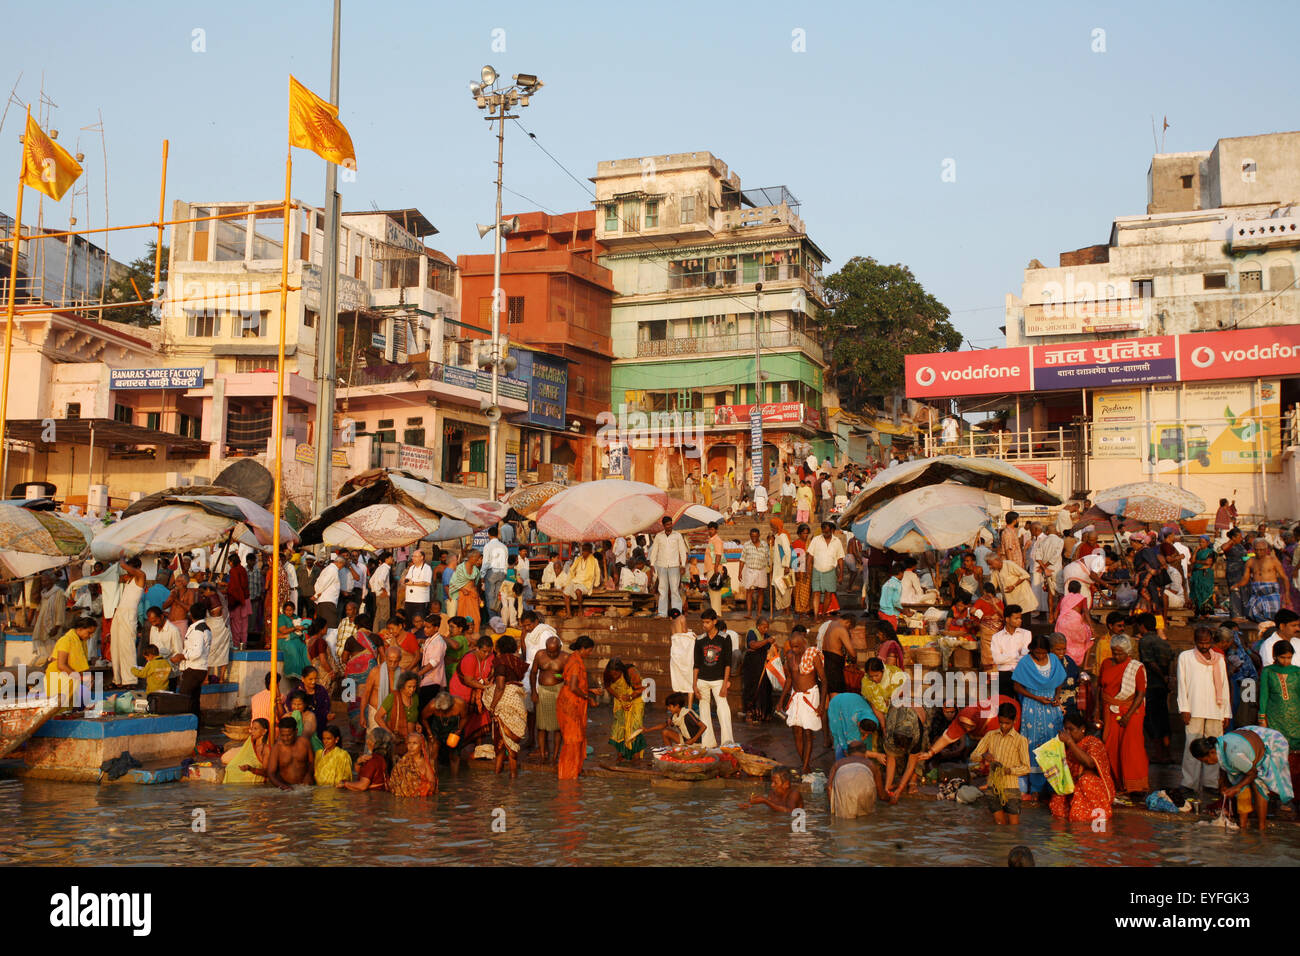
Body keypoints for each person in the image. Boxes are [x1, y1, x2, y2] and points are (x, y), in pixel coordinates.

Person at [1190, 727, 1293, 831]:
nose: (1206, 764)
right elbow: (1224, 766)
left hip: (1270, 741)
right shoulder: (1219, 748)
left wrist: (1236, 788)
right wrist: (1223, 784)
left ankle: (1262, 828)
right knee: (1240, 784)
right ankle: (1243, 826)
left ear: (1212, 752)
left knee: (1258, 784)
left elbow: (1253, 774)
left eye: (1205, 760)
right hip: (1246, 741)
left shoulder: (1234, 756)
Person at [1178, 625, 1232, 793]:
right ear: (1195, 641)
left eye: (1207, 642)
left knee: (1215, 748)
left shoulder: (1219, 659)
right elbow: (1182, 683)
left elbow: (1224, 686)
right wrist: (1184, 708)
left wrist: (1226, 712)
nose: (1204, 646)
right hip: (1193, 708)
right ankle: (1189, 782)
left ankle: (1211, 782)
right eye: (1201, 643)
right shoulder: (1185, 657)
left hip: (1215, 709)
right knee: (1191, 746)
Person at [1011, 633, 1067, 795]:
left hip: (1052, 708)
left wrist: (1057, 697)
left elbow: (1060, 680)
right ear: (1032, 650)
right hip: (1032, 707)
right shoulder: (1025, 663)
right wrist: (1036, 697)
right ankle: (1035, 787)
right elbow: (1017, 687)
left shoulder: (1054, 660)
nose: (1041, 655)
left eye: (1043, 652)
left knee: (1053, 743)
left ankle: (1054, 786)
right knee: (1033, 745)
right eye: (1038, 652)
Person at [1097, 633, 1147, 796]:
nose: (1117, 656)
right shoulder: (1106, 664)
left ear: (1128, 653)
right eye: (1114, 652)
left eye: (1120, 653)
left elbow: (1140, 694)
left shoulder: (1136, 667)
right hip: (1109, 710)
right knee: (1110, 746)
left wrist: (1128, 715)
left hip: (1130, 711)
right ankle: (1115, 783)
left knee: (1131, 748)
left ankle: (1135, 786)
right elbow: (1100, 688)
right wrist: (1097, 710)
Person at [1049, 710, 1116, 823]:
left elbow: (1090, 763)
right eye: (1066, 729)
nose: (1068, 733)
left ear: (1082, 729)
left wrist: (1070, 742)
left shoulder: (1093, 742)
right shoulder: (1066, 747)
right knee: (1058, 802)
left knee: (1086, 780)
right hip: (1072, 786)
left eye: (1071, 729)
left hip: (1092, 787)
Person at [969, 703, 1030, 825]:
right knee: (999, 823)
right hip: (992, 788)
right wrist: (983, 756)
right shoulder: (990, 735)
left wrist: (1009, 771)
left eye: (1007, 723)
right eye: (1001, 722)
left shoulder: (1020, 740)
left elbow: (1026, 768)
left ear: (1014, 721)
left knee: (1013, 826)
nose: (1003, 726)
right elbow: (973, 756)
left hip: (1011, 788)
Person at [780, 629, 826, 775]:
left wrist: (822, 704)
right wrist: (781, 700)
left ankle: (805, 765)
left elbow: (824, 681)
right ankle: (804, 765)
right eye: (792, 647)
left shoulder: (813, 656)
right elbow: (789, 679)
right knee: (796, 731)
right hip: (796, 696)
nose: (794, 650)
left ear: (803, 644)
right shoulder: (789, 656)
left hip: (810, 695)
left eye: (797, 647)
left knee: (808, 732)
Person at [484, 634, 529, 776]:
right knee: (511, 738)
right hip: (517, 699)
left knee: (500, 737)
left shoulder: (500, 662)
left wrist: (492, 706)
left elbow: (500, 687)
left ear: (499, 648)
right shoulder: (517, 661)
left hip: (504, 701)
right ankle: (512, 774)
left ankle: (501, 773)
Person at [1134, 613, 1175, 763]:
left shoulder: (1145, 641)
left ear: (1142, 626)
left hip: (1152, 684)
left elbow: (1150, 662)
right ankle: (1167, 753)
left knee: (1152, 719)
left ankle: (1159, 753)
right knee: (1163, 718)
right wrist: (1168, 677)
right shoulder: (1162, 641)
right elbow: (1171, 658)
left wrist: (1162, 676)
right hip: (1162, 686)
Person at [693, 609, 735, 748]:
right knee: (704, 711)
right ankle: (708, 743)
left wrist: (724, 684)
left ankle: (727, 742)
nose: (704, 625)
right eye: (703, 622)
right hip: (702, 680)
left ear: (714, 621)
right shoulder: (699, 639)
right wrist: (694, 685)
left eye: (707, 622)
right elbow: (696, 664)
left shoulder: (724, 638)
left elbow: (728, 663)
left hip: (718, 680)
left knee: (723, 710)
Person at [557, 636, 597, 779]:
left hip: (571, 701)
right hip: (571, 704)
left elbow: (572, 683)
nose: (590, 654)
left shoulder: (574, 659)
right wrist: (588, 697)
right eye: (589, 651)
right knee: (573, 739)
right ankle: (568, 774)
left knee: (576, 738)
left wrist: (590, 690)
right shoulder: (575, 663)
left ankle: (574, 770)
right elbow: (573, 687)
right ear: (583, 649)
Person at [1259, 640, 1300, 770]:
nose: (1286, 661)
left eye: (1289, 657)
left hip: (1296, 716)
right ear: (1275, 656)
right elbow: (1264, 695)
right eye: (1283, 657)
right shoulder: (1268, 671)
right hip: (1275, 716)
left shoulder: (1296, 671)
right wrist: (1262, 717)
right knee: (1277, 748)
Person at [529, 632, 565, 762]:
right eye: (549, 652)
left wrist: (560, 676)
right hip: (543, 692)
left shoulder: (565, 657)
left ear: (559, 648)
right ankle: (544, 754)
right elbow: (533, 674)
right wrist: (534, 692)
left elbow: (570, 676)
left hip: (558, 692)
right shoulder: (540, 655)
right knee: (541, 726)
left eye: (554, 652)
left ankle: (555, 756)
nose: (551, 655)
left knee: (557, 727)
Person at [110, 558, 146, 686]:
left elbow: (135, 572)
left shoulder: (140, 576)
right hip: (120, 612)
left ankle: (130, 679)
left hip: (129, 614)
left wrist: (122, 562)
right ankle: (118, 679)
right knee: (115, 646)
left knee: (127, 647)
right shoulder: (129, 579)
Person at [44, 617, 97, 704]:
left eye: (92, 634)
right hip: (57, 677)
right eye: (89, 633)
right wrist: (80, 676)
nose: (90, 636)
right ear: (80, 629)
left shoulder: (81, 642)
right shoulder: (66, 640)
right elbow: (61, 665)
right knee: (58, 706)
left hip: (69, 676)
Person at [604, 658, 647, 761]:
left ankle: (635, 757)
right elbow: (608, 687)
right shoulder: (607, 673)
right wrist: (618, 697)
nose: (614, 677)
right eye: (612, 675)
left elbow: (642, 689)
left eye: (616, 674)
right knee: (619, 729)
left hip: (635, 701)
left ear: (621, 671)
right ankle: (621, 755)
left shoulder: (631, 672)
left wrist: (630, 698)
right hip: (620, 702)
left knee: (633, 730)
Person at [828, 740, 884, 818]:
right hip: (865, 795)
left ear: (847, 753)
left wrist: (833, 810)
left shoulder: (838, 764)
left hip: (844, 796)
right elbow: (882, 795)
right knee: (866, 819)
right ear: (865, 752)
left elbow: (829, 788)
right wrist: (890, 798)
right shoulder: (871, 764)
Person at [174, 604, 211, 717]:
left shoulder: (198, 630)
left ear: (191, 615)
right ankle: (196, 728)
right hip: (199, 668)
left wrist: (182, 656)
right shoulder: (205, 628)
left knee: (183, 699)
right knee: (194, 700)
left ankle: (186, 726)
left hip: (194, 669)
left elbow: (197, 652)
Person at [649, 516, 689, 617]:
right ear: (664, 525)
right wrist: (652, 564)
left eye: (670, 524)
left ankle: (677, 612)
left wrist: (683, 565)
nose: (669, 526)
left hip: (674, 566)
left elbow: (682, 551)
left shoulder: (677, 535)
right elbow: (654, 551)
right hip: (661, 565)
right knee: (662, 590)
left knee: (675, 590)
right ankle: (662, 613)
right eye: (667, 524)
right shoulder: (659, 536)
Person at [1239, 540, 1286, 623]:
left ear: (1266, 549)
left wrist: (1287, 594)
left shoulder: (1273, 560)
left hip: (1270, 591)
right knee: (1250, 613)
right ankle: (1266, 625)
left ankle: (1271, 627)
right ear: (1253, 549)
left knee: (1272, 615)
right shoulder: (1250, 561)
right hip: (1257, 591)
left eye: (1261, 549)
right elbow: (1245, 579)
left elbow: (1284, 577)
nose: (1259, 552)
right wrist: (1236, 586)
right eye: (1256, 549)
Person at [990, 604, 1031, 697]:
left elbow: (1025, 656)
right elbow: (997, 660)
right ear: (1007, 619)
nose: (1019, 620)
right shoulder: (996, 637)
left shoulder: (1026, 634)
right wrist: (1017, 653)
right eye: (1016, 618)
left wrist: (1006, 657)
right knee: (1005, 703)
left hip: (1021, 672)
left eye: (1020, 618)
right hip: (1004, 674)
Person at [421, 691, 469, 770]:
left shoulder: (460, 703)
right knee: (433, 753)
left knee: (454, 755)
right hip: (437, 727)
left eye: (445, 710)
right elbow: (423, 719)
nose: (442, 712)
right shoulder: (432, 705)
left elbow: (465, 717)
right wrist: (430, 734)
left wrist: (458, 731)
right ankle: (434, 778)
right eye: (439, 710)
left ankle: (454, 780)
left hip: (454, 727)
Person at [807, 521, 845, 618]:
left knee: (828, 594)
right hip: (817, 570)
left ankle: (823, 614)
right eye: (824, 531)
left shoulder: (837, 542)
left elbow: (840, 559)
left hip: (830, 571)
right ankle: (816, 616)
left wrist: (841, 574)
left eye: (827, 532)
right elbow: (810, 556)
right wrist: (808, 569)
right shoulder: (816, 540)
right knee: (816, 593)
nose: (825, 534)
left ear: (832, 530)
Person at [741, 616, 776, 723]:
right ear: (758, 626)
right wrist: (766, 641)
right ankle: (750, 713)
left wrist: (773, 645)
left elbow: (772, 647)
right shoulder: (752, 632)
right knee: (751, 688)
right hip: (752, 666)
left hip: (762, 667)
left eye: (767, 627)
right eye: (764, 627)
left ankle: (763, 714)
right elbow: (752, 645)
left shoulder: (767, 636)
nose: (766, 629)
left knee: (764, 688)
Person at [826, 691, 879, 760]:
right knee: (841, 735)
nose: (866, 735)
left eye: (868, 733)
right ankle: (843, 758)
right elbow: (852, 747)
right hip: (837, 705)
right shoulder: (852, 722)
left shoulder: (872, 719)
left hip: (853, 701)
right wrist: (876, 755)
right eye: (863, 732)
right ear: (858, 723)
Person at [265, 716, 315, 789]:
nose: (286, 738)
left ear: (296, 731)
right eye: (283, 735)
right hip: (285, 789)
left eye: (289, 735)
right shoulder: (277, 748)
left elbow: (312, 762)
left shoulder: (305, 743)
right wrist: (282, 786)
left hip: (304, 787)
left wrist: (309, 774)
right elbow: (271, 773)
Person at [1055, 581, 1094, 667]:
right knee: (1090, 639)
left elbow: (1056, 612)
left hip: (1062, 624)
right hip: (1075, 624)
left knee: (1065, 643)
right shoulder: (1082, 598)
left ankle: (1063, 664)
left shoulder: (1064, 598)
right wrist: (1091, 627)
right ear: (1080, 590)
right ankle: (1085, 665)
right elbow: (1086, 613)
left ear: (1068, 589)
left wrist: (1057, 622)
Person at [389, 731, 438, 797]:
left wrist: (420, 790)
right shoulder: (401, 763)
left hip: (423, 803)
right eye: (409, 743)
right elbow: (393, 783)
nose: (411, 746)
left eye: (415, 743)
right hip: (404, 802)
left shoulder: (427, 763)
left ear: (421, 746)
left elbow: (432, 786)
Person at [223, 718, 271, 785]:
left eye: (255, 729)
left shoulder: (266, 749)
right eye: (252, 728)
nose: (251, 731)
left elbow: (268, 772)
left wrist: (251, 769)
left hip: (255, 781)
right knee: (230, 768)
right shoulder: (250, 742)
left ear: (264, 731)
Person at [740, 766, 804, 814]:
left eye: (775, 783)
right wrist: (750, 807)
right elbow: (768, 808)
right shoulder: (772, 793)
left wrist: (765, 801)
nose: (772, 785)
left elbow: (790, 812)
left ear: (786, 784)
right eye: (772, 782)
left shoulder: (794, 794)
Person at [563, 543, 601, 616]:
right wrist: (567, 583)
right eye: (583, 550)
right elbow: (571, 570)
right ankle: (569, 613)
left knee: (578, 591)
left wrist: (596, 584)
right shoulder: (578, 559)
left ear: (590, 551)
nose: (583, 552)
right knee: (565, 593)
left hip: (586, 583)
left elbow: (597, 572)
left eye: (585, 550)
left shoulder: (594, 560)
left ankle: (580, 609)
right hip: (575, 581)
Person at [740, 527, 770, 616]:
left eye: (756, 536)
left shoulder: (764, 545)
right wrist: (739, 572)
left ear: (759, 536)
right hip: (750, 570)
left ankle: (759, 613)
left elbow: (769, 558)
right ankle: (749, 612)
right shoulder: (746, 545)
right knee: (749, 591)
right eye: (752, 536)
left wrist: (771, 566)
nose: (754, 538)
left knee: (761, 591)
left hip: (761, 570)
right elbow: (742, 559)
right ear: (750, 536)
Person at [482, 525, 509, 617]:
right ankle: (499, 618)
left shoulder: (487, 546)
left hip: (491, 572)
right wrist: (505, 573)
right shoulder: (504, 546)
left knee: (490, 596)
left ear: (489, 535)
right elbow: (506, 561)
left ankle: (493, 619)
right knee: (498, 596)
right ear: (497, 534)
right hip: (502, 573)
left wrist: (482, 575)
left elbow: (485, 562)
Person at [400, 548, 434, 622]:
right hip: (409, 599)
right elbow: (407, 579)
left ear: (422, 557)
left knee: (419, 621)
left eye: (415, 556)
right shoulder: (412, 567)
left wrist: (413, 583)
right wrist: (404, 581)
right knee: (409, 621)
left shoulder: (427, 568)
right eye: (412, 556)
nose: (413, 558)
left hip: (420, 600)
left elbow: (427, 583)